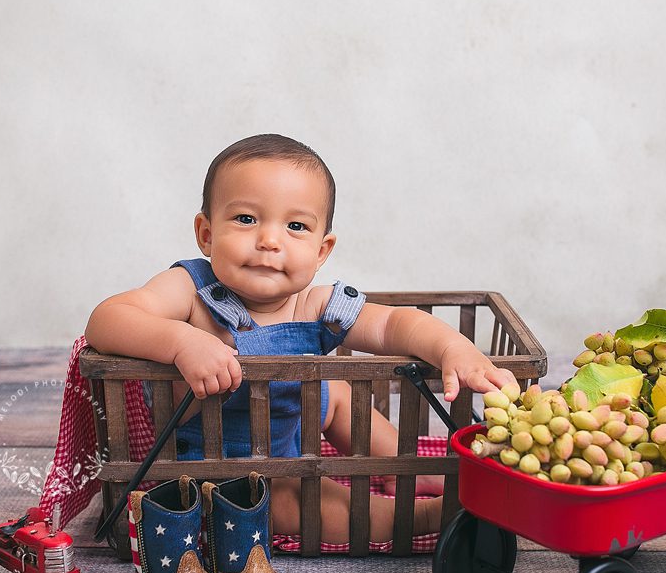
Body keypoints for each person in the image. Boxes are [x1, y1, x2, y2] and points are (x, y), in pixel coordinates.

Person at [85, 134, 516, 544]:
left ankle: (405, 469)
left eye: (295, 225)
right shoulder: (189, 290)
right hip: (218, 470)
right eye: (246, 219)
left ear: (321, 250)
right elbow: (107, 319)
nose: (270, 240)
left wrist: (452, 348)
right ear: (206, 234)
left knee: (336, 394)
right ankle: (417, 516)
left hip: (289, 443)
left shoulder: (312, 304)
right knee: (302, 502)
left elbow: (391, 325)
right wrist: (181, 341)